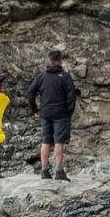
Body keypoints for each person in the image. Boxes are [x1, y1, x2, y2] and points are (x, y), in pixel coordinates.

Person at [25, 49, 78, 181]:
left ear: (49, 61)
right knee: (59, 142)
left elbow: (30, 93)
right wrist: (69, 111)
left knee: (46, 141)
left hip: (45, 113)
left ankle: (44, 171)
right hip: (61, 114)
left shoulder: (41, 76)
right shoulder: (65, 76)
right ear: (60, 61)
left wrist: (35, 110)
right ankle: (59, 172)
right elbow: (72, 96)